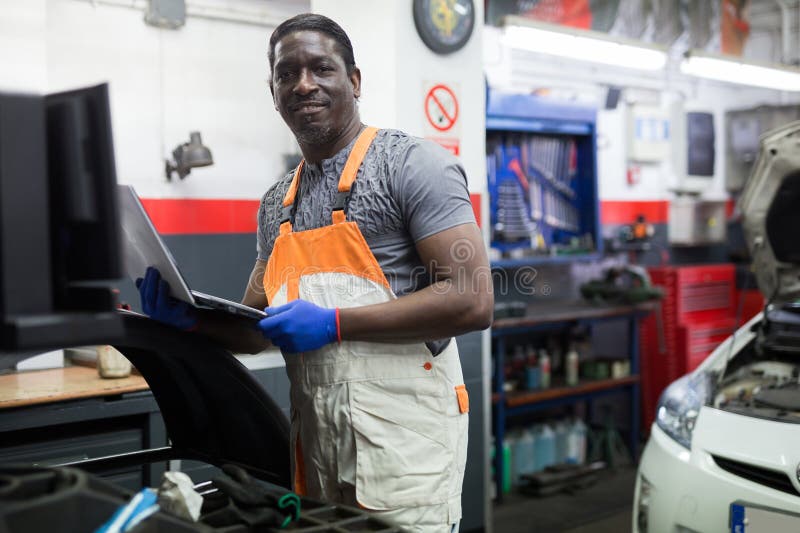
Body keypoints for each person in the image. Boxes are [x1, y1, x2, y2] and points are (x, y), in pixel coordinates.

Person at [137, 13, 492, 532]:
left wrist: (334, 323)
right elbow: (254, 330)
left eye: (321, 68)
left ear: (354, 80)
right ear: (273, 91)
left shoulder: (415, 165)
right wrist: (188, 321)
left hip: (406, 449)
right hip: (319, 448)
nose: (303, 84)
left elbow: (473, 299)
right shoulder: (276, 203)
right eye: (287, 73)